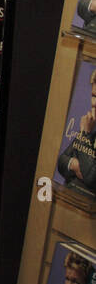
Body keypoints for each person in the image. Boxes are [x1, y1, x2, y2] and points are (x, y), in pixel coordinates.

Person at [57, 66, 96, 194]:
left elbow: (91, 178)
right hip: (67, 198)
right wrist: (74, 164)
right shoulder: (92, 127)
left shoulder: (88, 129)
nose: (94, 103)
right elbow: (62, 161)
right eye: (94, 96)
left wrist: (85, 133)